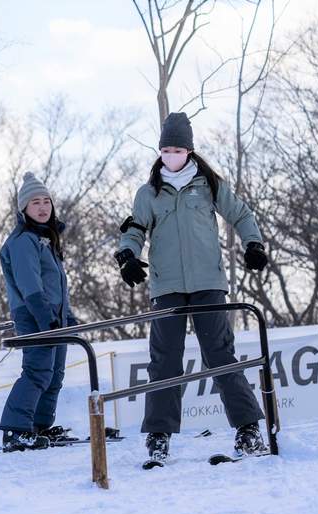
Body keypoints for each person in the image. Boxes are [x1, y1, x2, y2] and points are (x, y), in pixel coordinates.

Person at [114, 112, 269, 463]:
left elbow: (241, 214)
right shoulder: (149, 192)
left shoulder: (209, 184)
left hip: (207, 283)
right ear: (160, 151)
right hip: (166, 285)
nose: (172, 155)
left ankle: (248, 430)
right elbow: (135, 228)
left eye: (178, 149)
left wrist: (253, 244)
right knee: (165, 361)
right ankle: (158, 436)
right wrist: (127, 255)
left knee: (220, 355)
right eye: (166, 149)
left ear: (189, 150)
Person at [0, 172, 78, 453]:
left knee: (55, 374)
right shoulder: (23, 241)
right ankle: (16, 430)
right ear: (24, 209)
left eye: (46, 201)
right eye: (35, 203)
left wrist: (67, 316)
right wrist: (45, 317)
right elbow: (29, 283)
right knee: (38, 372)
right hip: (34, 314)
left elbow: (58, 285)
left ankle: (40, 426)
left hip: (54, 317)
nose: (43, 207)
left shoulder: (46, 238)